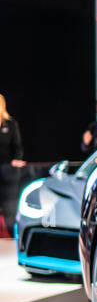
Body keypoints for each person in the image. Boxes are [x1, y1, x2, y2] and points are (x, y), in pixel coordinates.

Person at [0, 94, 26, 238]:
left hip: (7, 169)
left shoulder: (10, 124)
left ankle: (13, 235)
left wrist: (16, 159)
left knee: (9, 205)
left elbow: (17, 147)